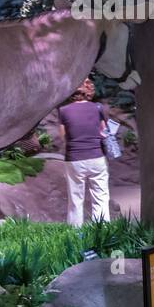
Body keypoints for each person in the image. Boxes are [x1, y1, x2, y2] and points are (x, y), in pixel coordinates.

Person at [57, 78, 111, 226]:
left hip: (74, 158)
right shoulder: (97, 108)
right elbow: (103, 131)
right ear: (89, 90)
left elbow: (62, 136)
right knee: (100, 197)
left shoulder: (63, 111)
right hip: (96, 157)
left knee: (75, 199)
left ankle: (76, 234)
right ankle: (102, 231)